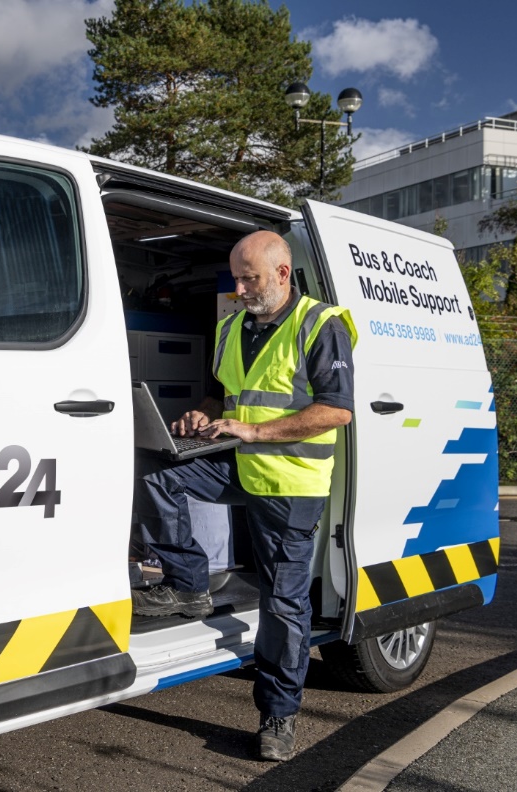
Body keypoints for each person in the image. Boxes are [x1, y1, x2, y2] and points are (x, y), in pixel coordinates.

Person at [131, 230, 356, 761]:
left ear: (281, 274)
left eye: (248, 277)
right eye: (235, 276)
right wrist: (203, 415)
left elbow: (336, 410)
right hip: (238, 462)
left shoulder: (321, 324)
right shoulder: (232, 323)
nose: (238, 287)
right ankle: (188, 584)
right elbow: (221, 392)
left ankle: (279, 714)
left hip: (289, 482)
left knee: (283, 603)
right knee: (154, 468)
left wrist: (254, 432)